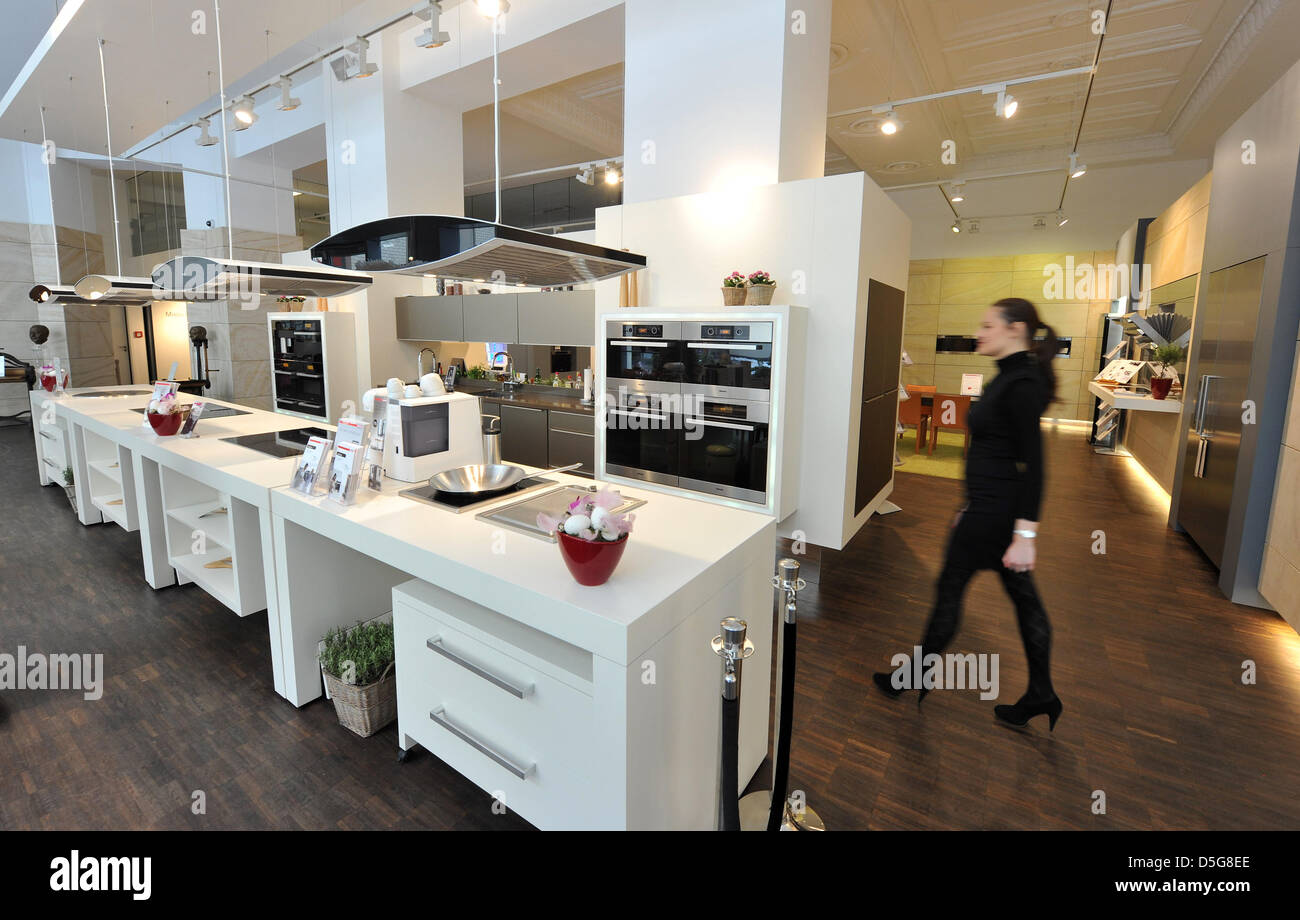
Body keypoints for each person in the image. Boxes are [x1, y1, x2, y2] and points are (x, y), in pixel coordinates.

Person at [874, 297, 1063, 731]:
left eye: (988, 325)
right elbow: (994, 453)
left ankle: (913, 677)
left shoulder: (1021, 384)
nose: (979, 332)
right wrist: (968, 504)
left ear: (1015, 329)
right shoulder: (1009, 377)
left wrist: (1026, 536)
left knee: (951, 592)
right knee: (1022, 601)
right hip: (987, 511)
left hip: (995, 516)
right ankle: (1040, 693)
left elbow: (1034, 466)